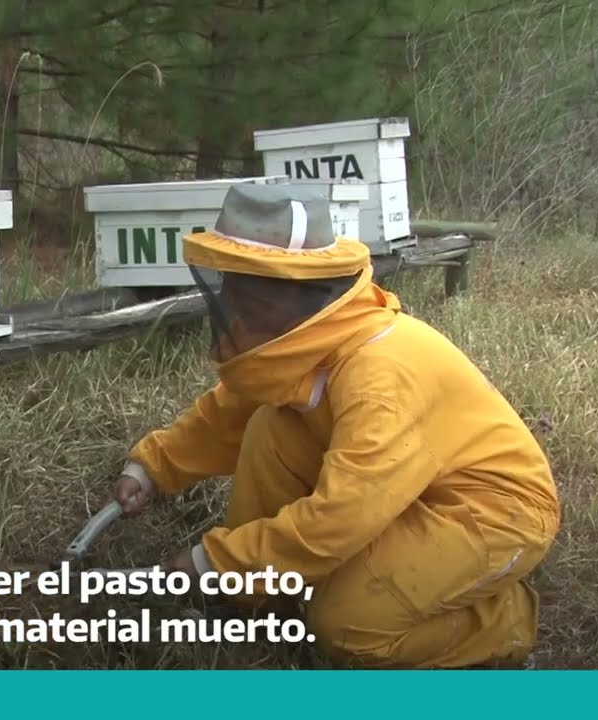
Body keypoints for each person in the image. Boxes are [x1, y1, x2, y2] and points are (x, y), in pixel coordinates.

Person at [112, 183, 561, 670]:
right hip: (397, 489)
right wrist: (150, 468)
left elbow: (339, 518)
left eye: (249, 281)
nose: (234, 297)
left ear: (296, 287)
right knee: (270, 424)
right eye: (233, 277)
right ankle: (264, 597)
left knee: (348, 627)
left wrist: (214, 563)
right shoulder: (306, 341)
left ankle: (505, 616)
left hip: (492, 508)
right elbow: (231, 410)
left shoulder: (380, 376)